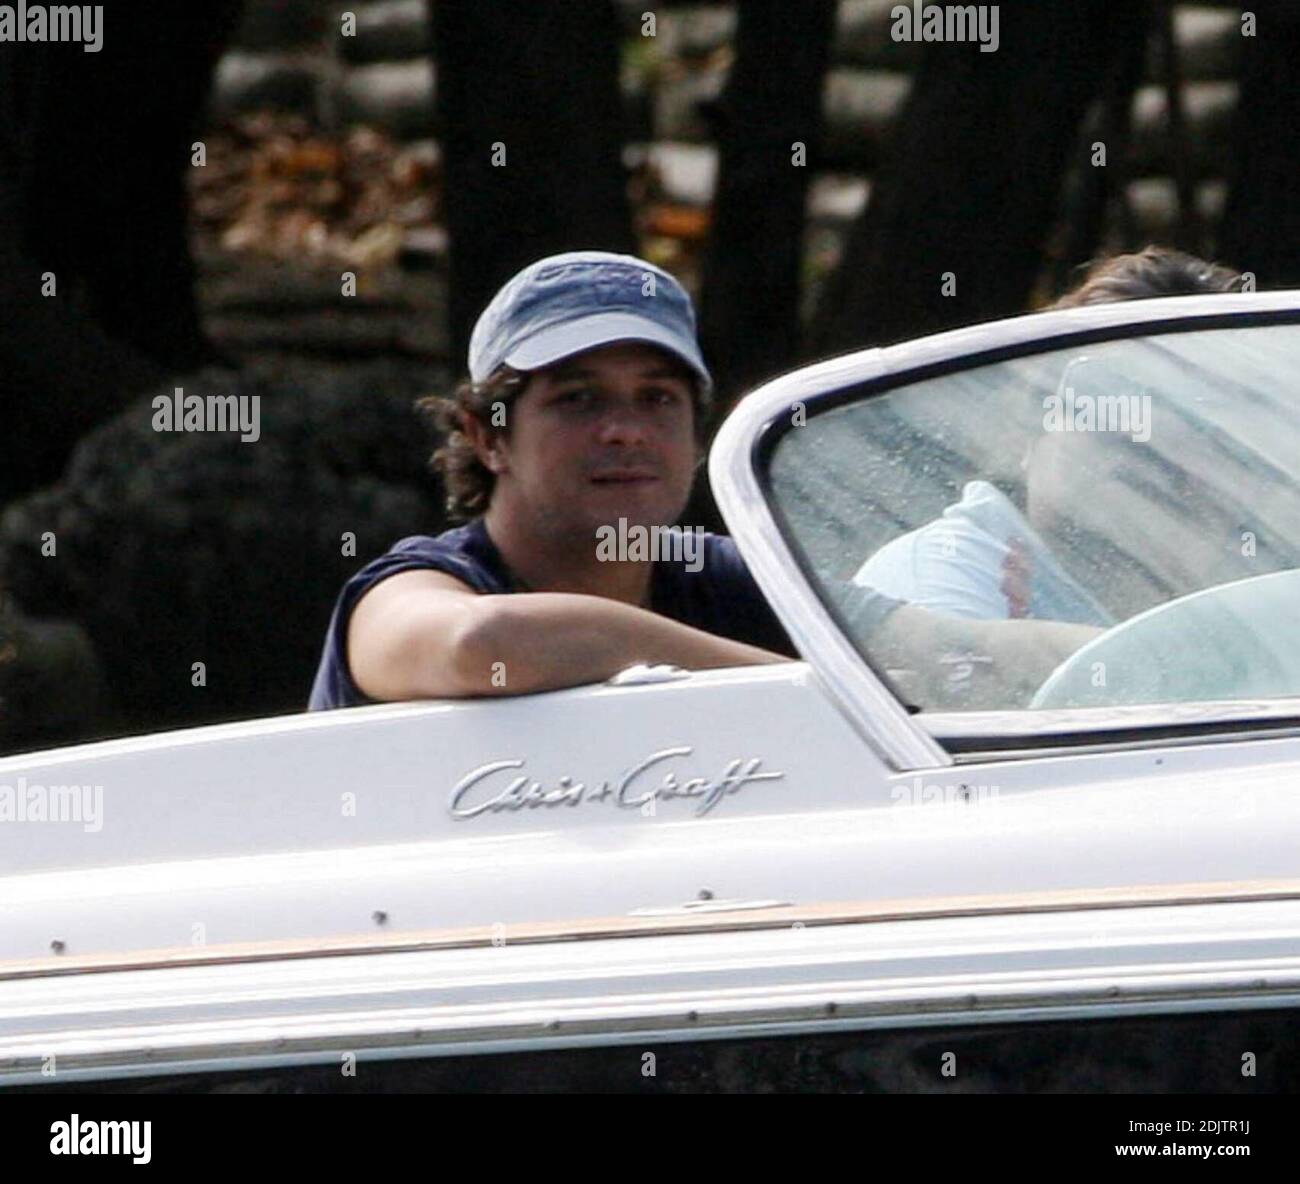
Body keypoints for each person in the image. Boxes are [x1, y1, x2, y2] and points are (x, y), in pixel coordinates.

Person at [309, 251, 903, 709]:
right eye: (578, 398)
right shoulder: (414, 586)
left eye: (657, 397)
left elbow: (936, 651)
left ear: (697, 435)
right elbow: (477, 644)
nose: (626, 430)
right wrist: (819, 691)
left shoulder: (726, 576)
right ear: (489, 436)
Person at [853, 247, 1245, 625]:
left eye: (1198, 416)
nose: (1154, 436)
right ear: (1033, 427)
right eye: (1113, 398)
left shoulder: (1254, 601)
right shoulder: (948, 578)